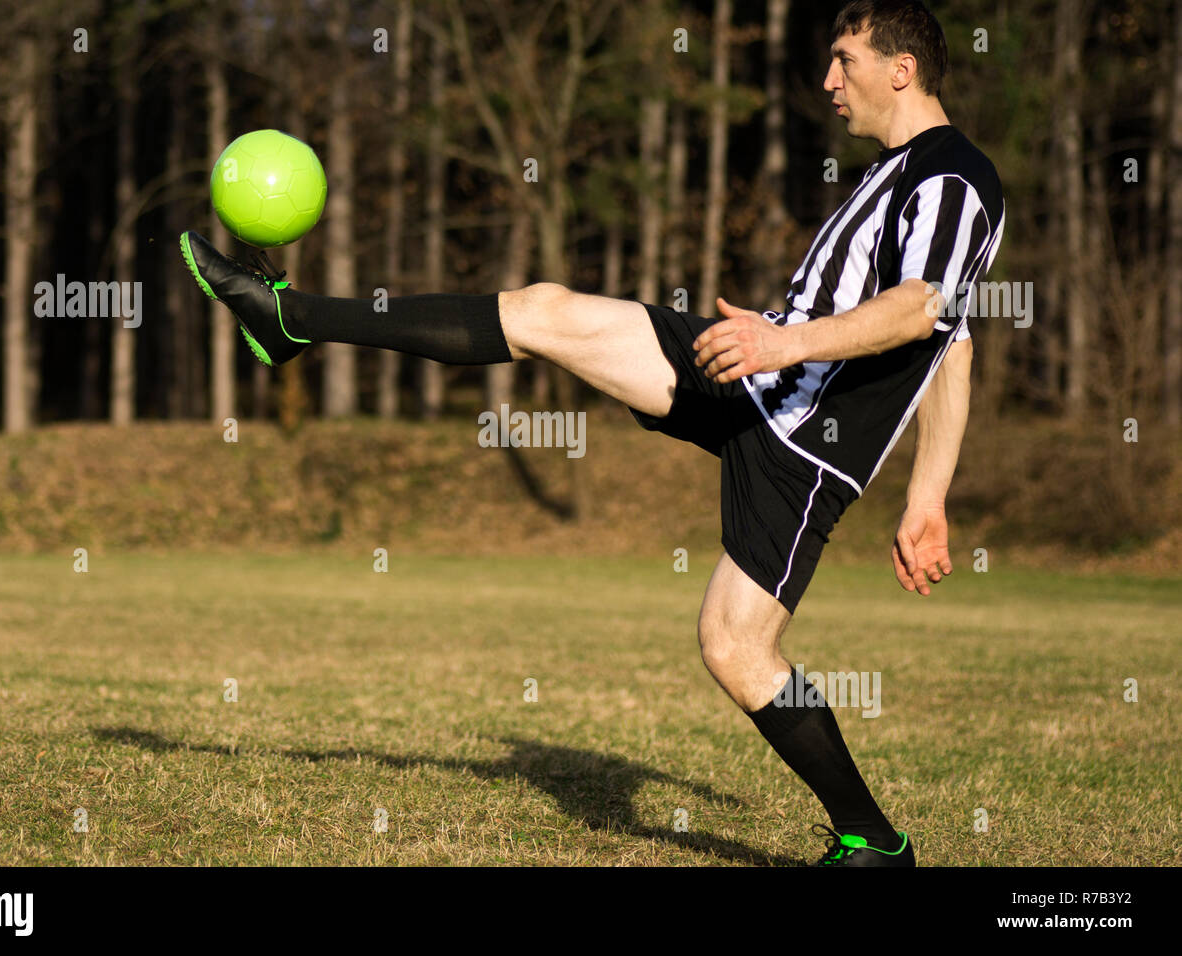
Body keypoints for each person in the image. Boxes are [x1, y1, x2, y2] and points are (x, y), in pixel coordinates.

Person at [179, 0, 1005, 866]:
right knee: (544, 311)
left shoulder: (953, 175)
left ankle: (875, 843)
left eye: (845, 59)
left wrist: (788, 345)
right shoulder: (896, 171)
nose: (830, 81)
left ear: (900, 68)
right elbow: (958, 342)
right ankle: (290, 320)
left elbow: (925, 313)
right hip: (746, 372)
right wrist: (929, 495)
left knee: (733, 646)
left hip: (801, 446)